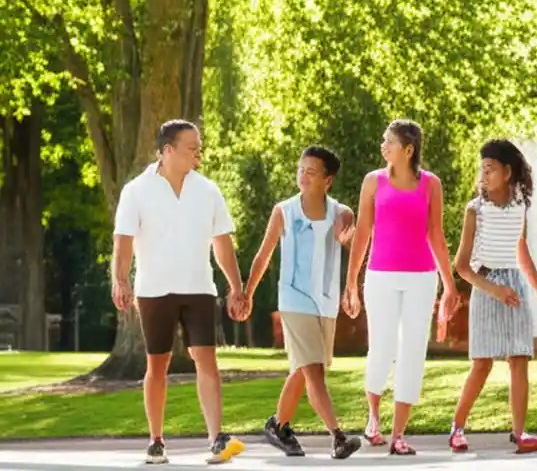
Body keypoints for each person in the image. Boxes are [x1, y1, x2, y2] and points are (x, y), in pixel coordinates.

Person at [110, 119, 247, 465]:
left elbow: (222, 243)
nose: (198, 150)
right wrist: (120, 279)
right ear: (168, 150)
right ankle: (156, 440)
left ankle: (217, 439)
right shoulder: (136, 190)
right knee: (158, 364)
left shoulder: (208, 190)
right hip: (154, 290)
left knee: (208, 361)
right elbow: (123, 240)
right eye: (191, 146)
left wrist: (236, 287)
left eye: (198, 144)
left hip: (199, 288)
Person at [343, 119, 461, 456]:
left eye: (389, 142)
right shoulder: (373, 182)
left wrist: (449, 285)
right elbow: (363, 231)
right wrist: (351, 281)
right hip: (380, 277)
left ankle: (398, 435)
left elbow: (435, 235)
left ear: (408, 150)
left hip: (422, 279)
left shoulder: (431, 185)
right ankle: (373, 418)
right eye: (384, 141)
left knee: (412, 353)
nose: (384, 147)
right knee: (381, 349)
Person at [242, 146, 363, 460]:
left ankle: (278, 425)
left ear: (328, 180)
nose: (304, 176)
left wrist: (348, 246)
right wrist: (248, 292)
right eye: (301, 169)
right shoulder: (285, 210)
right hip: (294, 298)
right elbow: (264, 254)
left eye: (312, 172)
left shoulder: (342, 212)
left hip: (325, 302)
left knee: (304, 369)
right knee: (313, 371)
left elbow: (346, 238)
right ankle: (337, 436)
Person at [446, 139, 537, 455]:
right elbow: (461, 266)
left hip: (514, 286)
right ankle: (457, 429)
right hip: (486, 286)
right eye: (482, 169)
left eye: (490, 169)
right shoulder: (474, 210)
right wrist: (495, 290)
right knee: (482, 364)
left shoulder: (520, 205)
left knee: (519, 359)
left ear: (507, 172)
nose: (484, 175)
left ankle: (520, 434)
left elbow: (520, 250)